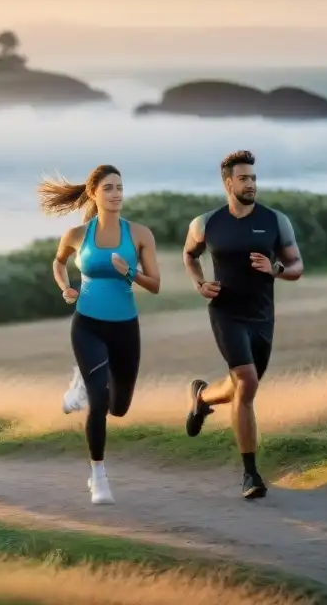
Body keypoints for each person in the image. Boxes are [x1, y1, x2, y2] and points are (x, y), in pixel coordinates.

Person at [181, 150, 303, 499]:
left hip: (262, 316)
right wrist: (200, 283)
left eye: (254, 178)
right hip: (226, 313)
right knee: (247, 382)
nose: (251, 184)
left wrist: (276, 269)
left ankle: (202, 397)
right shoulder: (206, 223)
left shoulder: (276, 221)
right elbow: (189, 255)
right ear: (228, 182)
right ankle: (250, 474)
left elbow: (296, 265)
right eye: (244, 179)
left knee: (241, 389)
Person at [37, 164, 161, 505]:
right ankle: (98, 476)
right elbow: (58, 263)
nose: (116, 193)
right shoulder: (77, 235)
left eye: (120, 187)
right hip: (88, 324)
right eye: (108, 188)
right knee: (99, 397)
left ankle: (81, 382)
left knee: (118, 408)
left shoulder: (139, 234)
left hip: (125, 328)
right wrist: (65, 288)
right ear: (94, 193)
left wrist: (130, 271)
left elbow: (155, 285)